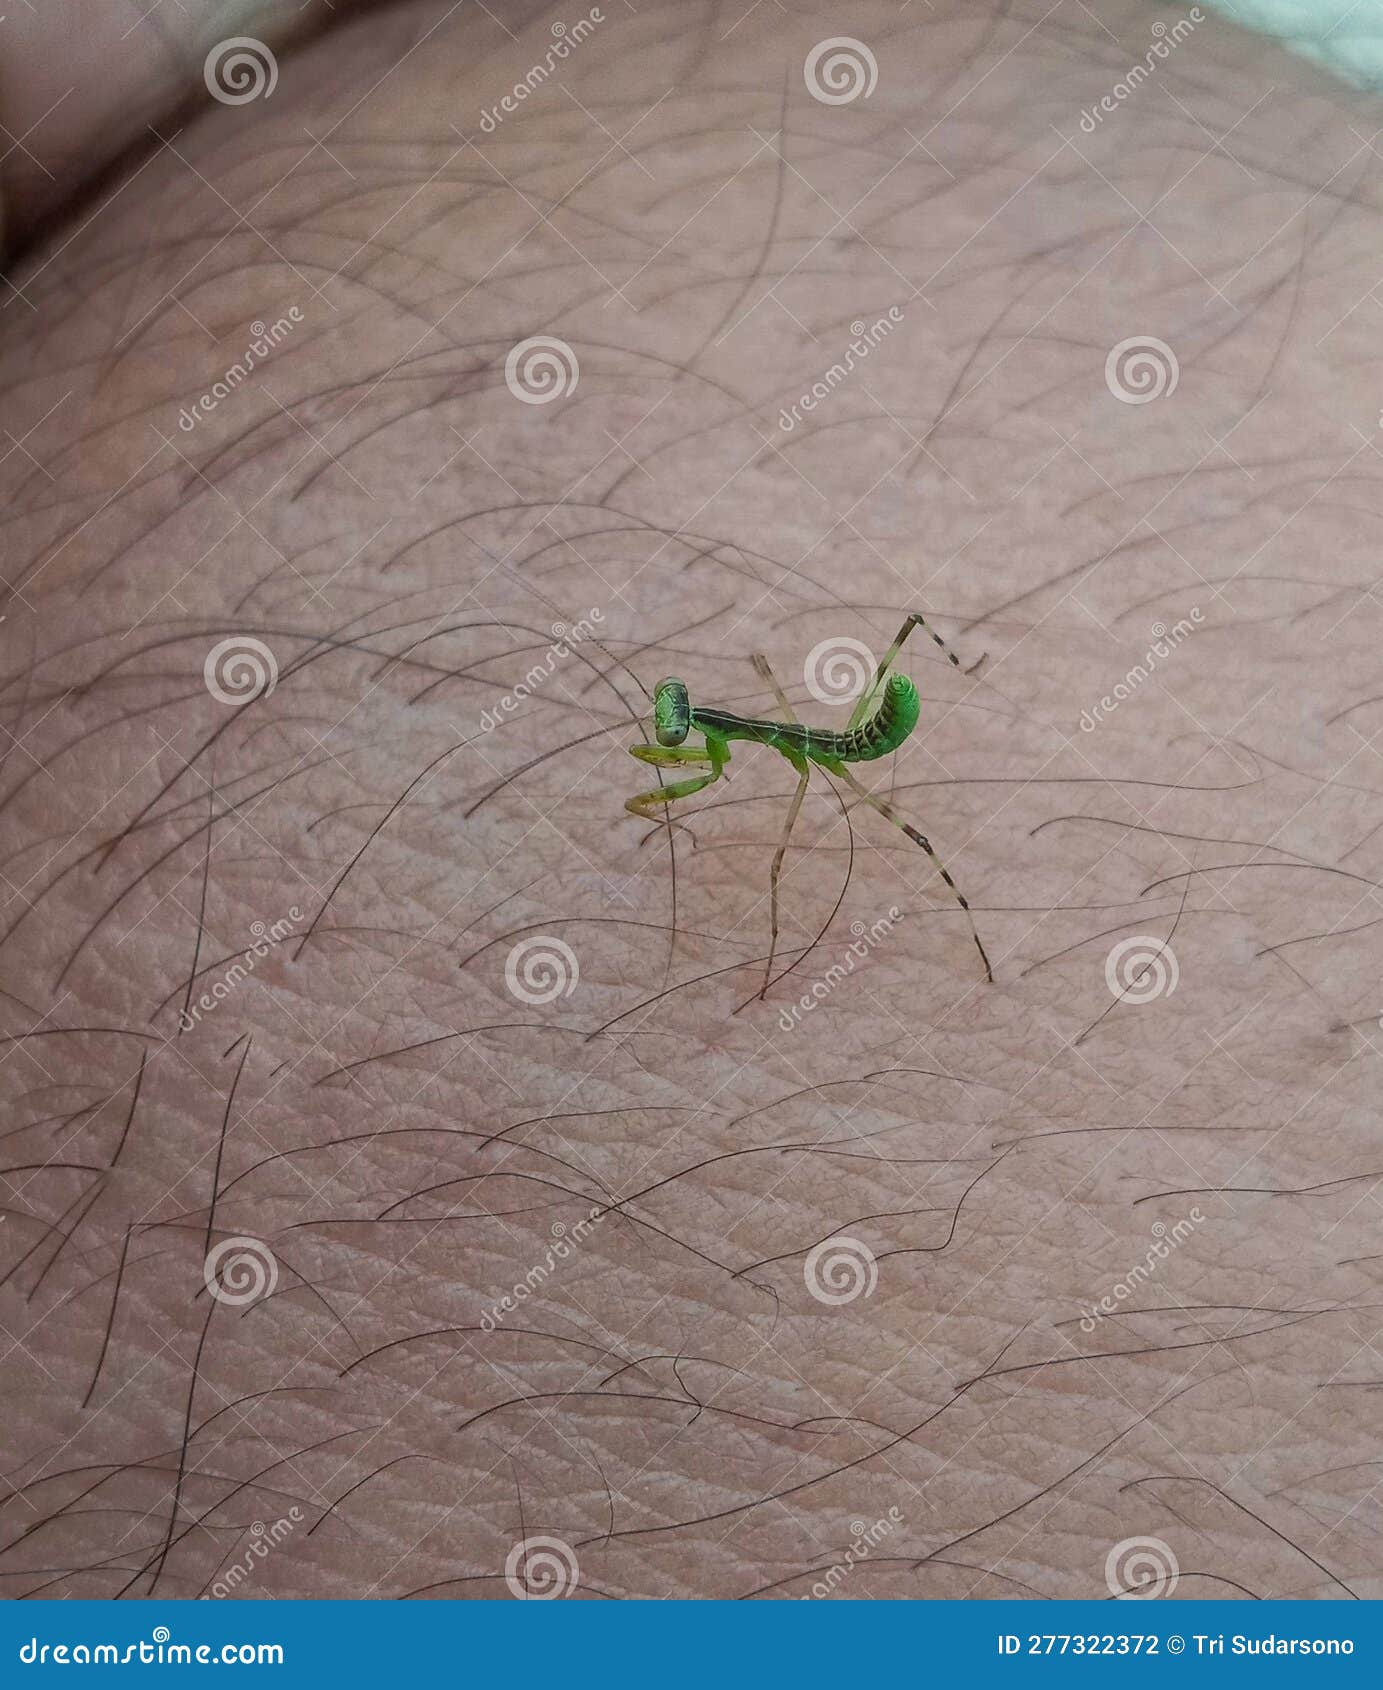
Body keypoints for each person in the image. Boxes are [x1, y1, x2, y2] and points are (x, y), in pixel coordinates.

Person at [1, 0, 1376, 1601]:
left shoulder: (781, 744)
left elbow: (764, 776)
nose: (662, 735)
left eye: (670, 728)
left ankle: (968, 913)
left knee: (882, 835)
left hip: (851, 735)